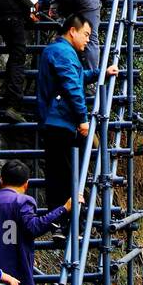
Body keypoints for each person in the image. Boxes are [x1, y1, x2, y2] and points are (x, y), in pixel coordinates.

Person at [37, 15, 118, 212]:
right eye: (86, 34)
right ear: (72, 31)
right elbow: (72, 86)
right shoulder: (63, 53)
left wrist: (102, 73)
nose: (88, 39)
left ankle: (62, 221)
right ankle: (65, 222)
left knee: (61, 172)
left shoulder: (62, 51)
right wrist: (82, 119)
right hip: (60, 121)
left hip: (57, 120)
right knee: (64, 174)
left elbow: (78, 77)